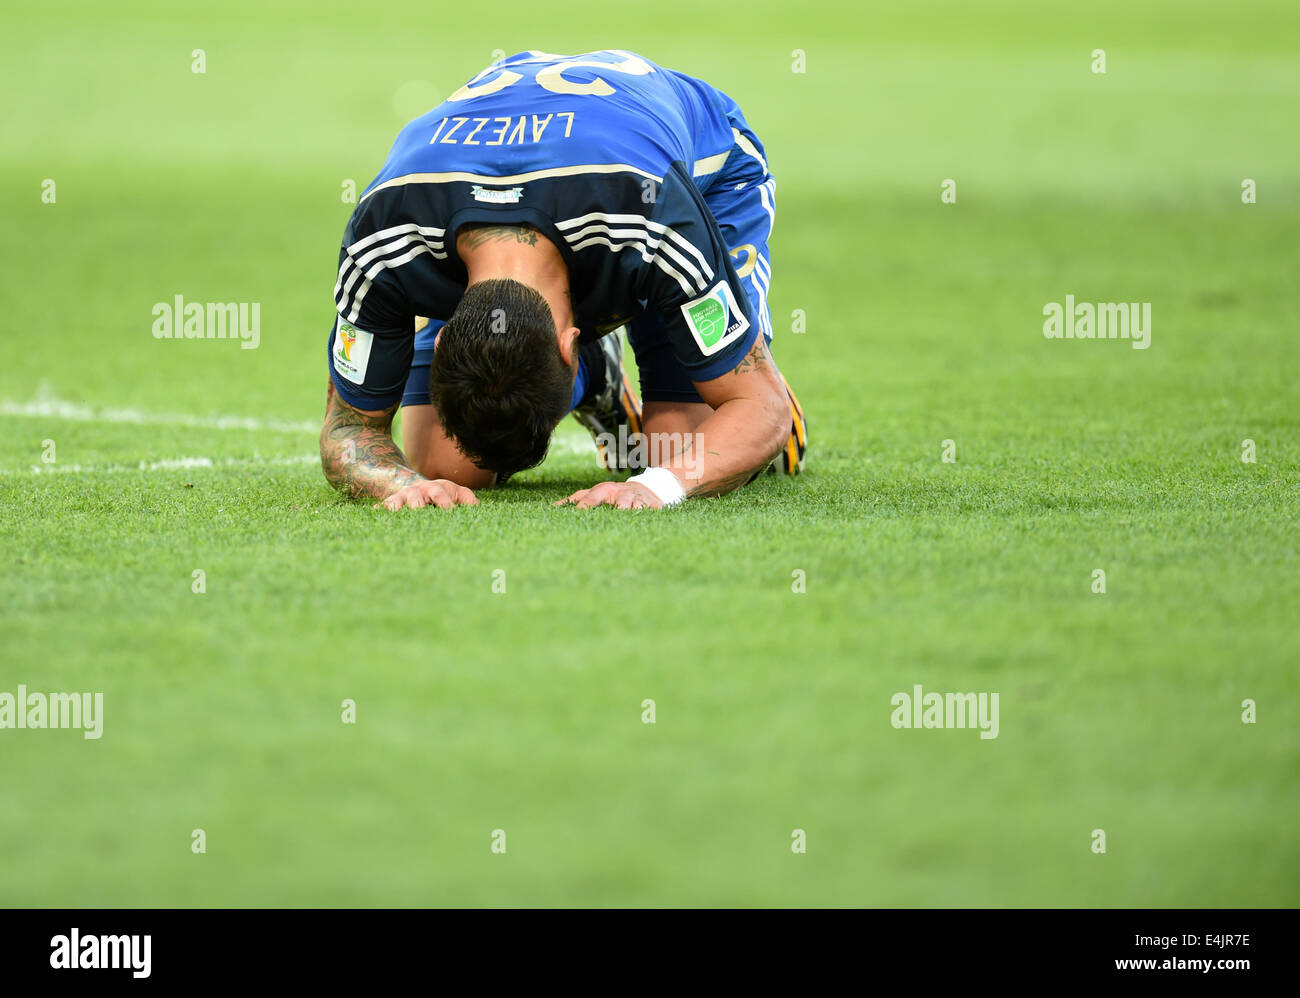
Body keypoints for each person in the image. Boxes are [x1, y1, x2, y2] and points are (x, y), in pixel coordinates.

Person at [320, 49, 807, 511]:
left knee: (675, 449)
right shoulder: (384, 235)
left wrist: (655, 486)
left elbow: (761, 408)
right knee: (444, 467)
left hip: (702, 178)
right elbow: (347, 430)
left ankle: (733, 344)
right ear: (447, 332)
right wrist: (401, 483)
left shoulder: (655, 221)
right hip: (566, 185)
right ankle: (599, 375)